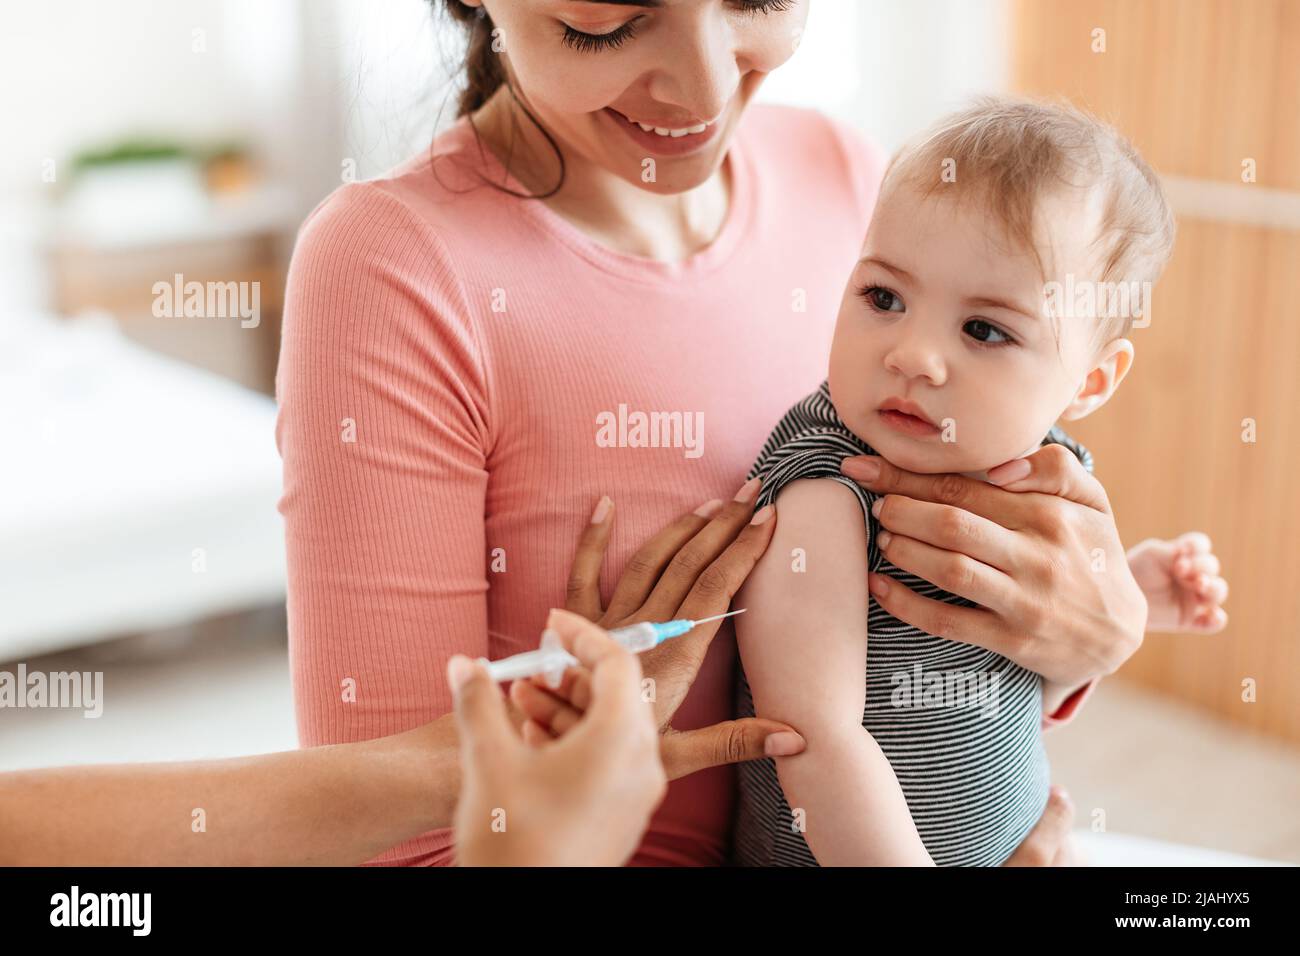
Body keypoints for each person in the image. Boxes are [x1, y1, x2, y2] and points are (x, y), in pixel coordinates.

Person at [275, 0, 1223, 866]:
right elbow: (386, 845)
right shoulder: (392, 269)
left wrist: (1095, 632)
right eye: (607, 25)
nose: (705, 86)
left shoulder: (853, 177)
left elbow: (927, 688)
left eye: (756, 0)